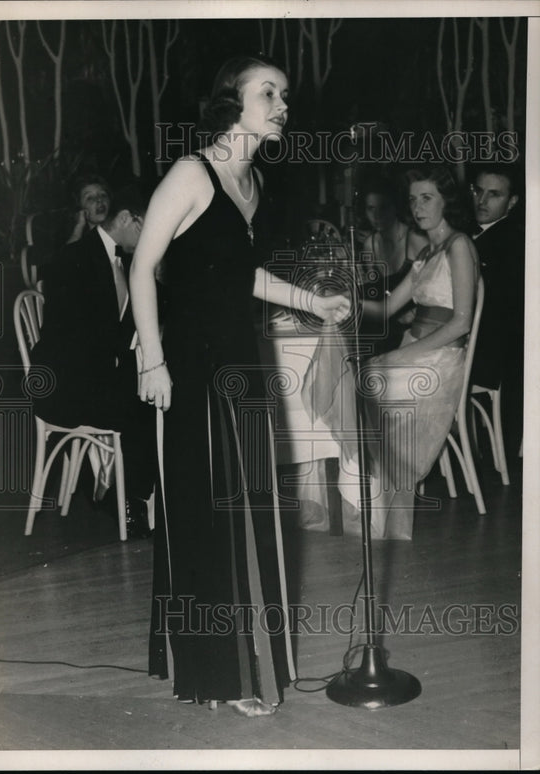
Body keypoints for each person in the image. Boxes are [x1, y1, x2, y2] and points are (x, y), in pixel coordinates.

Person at [129, 55, 347, 716]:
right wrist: (153, 361)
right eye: (268, 92)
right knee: (205, 516)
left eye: (284, 93)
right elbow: (143, 267)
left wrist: (313, 303)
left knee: (246, 511)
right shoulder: (192, 173)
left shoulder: (250, 180)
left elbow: (242, 277)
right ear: (233, 103)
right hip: (190, 367)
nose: (283, 103)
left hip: (237, 362)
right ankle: (219, 676)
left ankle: (243, 665)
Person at [333, 166, 479, 540]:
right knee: (356, 380)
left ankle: (389, 518)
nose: (418, 207)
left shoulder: (459, 245)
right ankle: (372, 506)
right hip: (415, 350)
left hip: (441, 359)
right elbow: (385, 309)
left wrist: (404, 356)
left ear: (448, 200)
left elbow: (461, 322)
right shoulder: (428, 252)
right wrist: (343, 300)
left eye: (427, 197)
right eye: (413, 199)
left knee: (372, 385)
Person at [31, 186, 157, 537]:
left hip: (98, 374)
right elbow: (71, 340)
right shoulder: (73, 260)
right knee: (146, 401)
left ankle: (136, 496)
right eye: (147, 226)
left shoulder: (129, 262)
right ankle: (128, 502)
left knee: (156, 391)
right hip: (66, 384)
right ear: (126, 219)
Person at [469, 163, 524, 461]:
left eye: (494, 194)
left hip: (492, 356)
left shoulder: (512, 242)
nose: (482, 200)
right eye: (478, 190)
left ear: (512, 202)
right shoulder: (469, 233)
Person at [359, 178, 428, 354]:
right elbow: (376, 292)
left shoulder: (415, 240)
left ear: (395, 207)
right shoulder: (371, 244)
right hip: (387, 324)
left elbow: (434, 292)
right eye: (371, 209)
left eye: (383, 208)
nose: (376, 216)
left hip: (418, 329)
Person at [66, 174, 112, 244]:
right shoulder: (84, 243)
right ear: (80, 209)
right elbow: (68, 254)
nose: (99, 199)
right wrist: (79, 226)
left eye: (103, 195)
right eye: (90, 198)